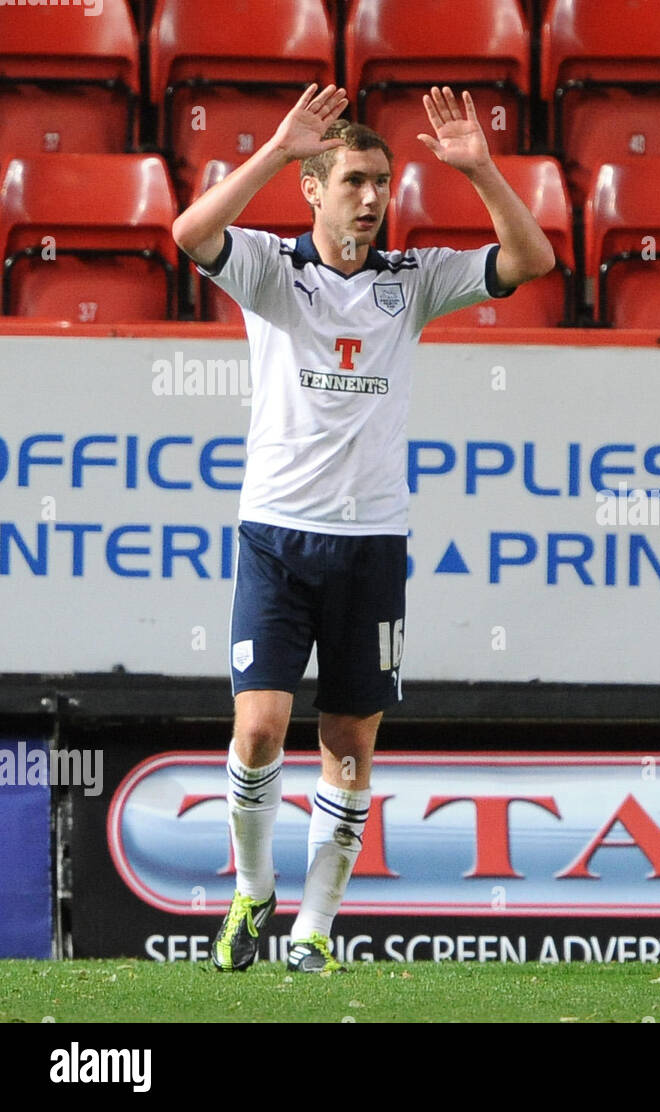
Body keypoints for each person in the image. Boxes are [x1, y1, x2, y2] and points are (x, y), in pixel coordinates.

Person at [172, 84, 555, 973]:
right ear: (314, 189)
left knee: (349, 744)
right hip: (275, 534)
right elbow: (190, 236)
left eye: (382, 181)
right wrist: (272, 149)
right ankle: (253, 891)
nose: (373, 198)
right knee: (260, 728)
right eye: (352, 181)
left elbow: (529, 259)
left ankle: (313, 932)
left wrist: (484, 171)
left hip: (372, 544)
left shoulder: (411, 281)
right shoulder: (272, 270)